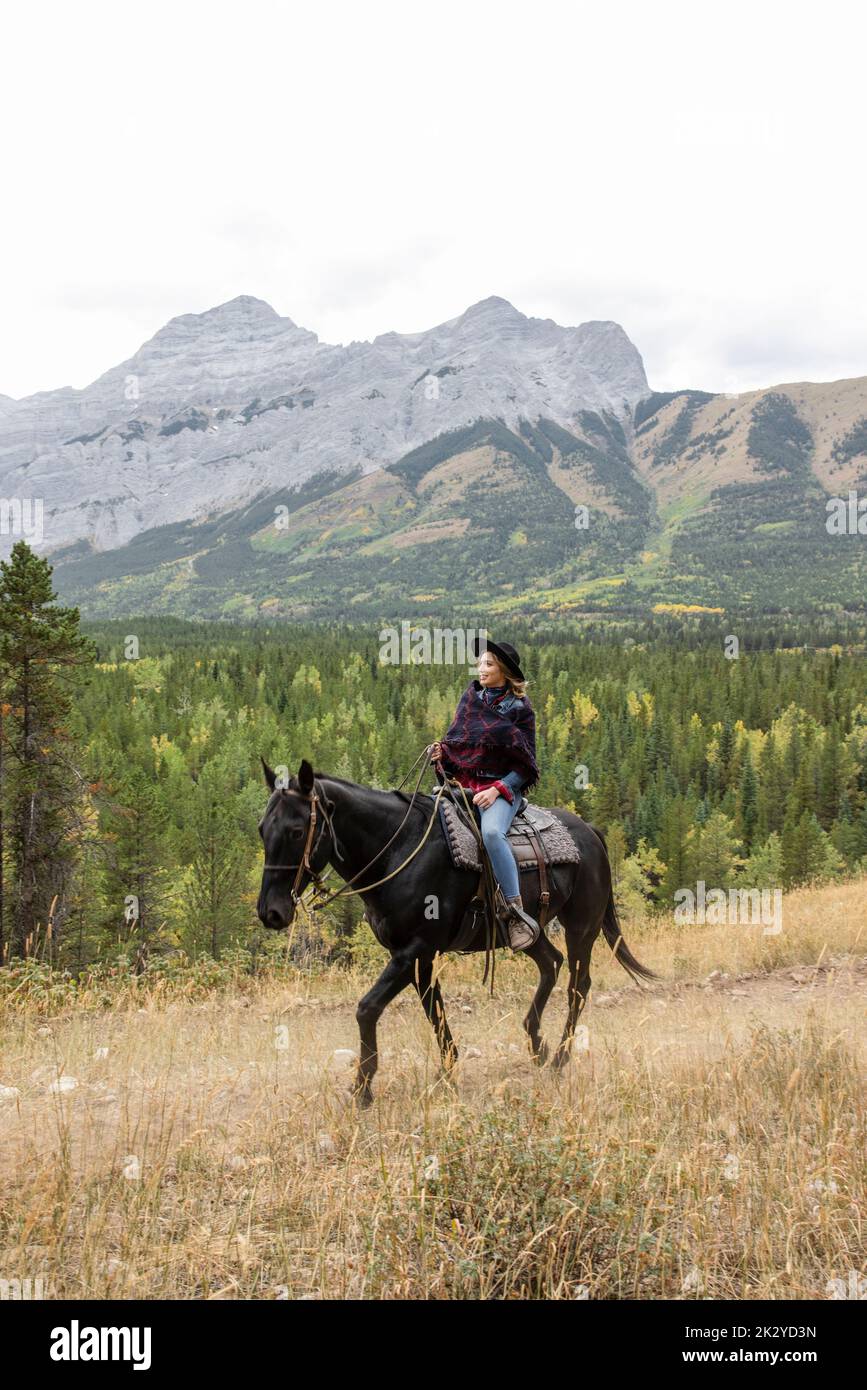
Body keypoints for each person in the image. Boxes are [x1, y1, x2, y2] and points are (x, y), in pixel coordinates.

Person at [431, 638, 541, 951]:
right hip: (466, 788)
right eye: (481, 662)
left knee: (492, 833)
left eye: (489, 664)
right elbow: (458, 753)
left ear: (504, 671)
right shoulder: (470, 701)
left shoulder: (520, 711)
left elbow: (527, 767)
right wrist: (443, 756)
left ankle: (515, 911)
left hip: (502, 791)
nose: (482, 668)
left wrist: (497, 789)